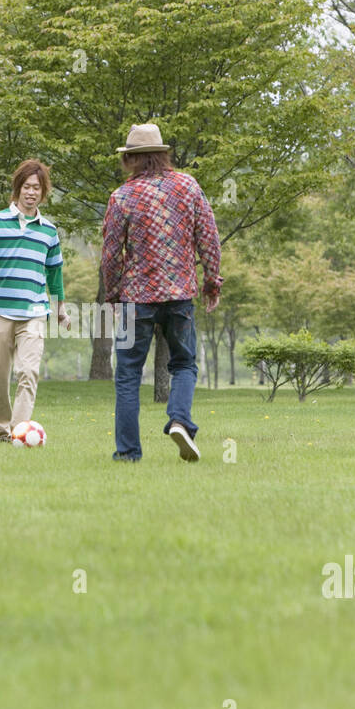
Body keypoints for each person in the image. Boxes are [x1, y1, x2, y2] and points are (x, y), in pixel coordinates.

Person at [101, 124, 222, 463]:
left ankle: (127, 453)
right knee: (183, 364)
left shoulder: (121, 197)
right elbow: (209, 239)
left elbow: (111, 255)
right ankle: (180, 419)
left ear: (130, 159)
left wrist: (113, 295)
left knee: (127, 375)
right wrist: (212, 282)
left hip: (134, 300)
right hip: (180, 294)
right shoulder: (188, 186)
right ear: (162, 154)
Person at [0, 159, 68, 442]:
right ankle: (0, 432)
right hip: (0, 310)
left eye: (37, 188)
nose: (31, 192)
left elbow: (55, 272)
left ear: (43, 192)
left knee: (28, 371)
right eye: (26, 186)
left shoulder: (49, 230)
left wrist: (61, 308)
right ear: (17, 189)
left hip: (35, 312)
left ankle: (19, 432)